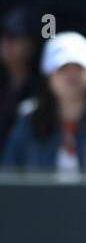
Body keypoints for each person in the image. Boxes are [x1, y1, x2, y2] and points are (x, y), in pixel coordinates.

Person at [1, 32, 86, 174]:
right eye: (62, 68)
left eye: (78, 67)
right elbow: (10, 172)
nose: (71, 75)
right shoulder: (29, 118)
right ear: (48, 75)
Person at [0, 7, 41, 144]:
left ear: (31, 44)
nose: (6, 43)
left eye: (13, 36)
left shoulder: (44, 90)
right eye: (3, 36)